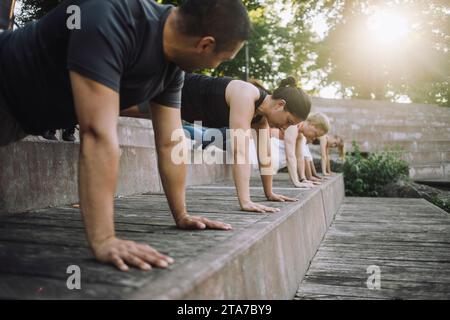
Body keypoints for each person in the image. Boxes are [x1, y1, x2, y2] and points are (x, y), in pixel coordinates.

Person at [0, 0, 251, 271]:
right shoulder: (112, 17)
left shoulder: (172, 70)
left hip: (20, 119)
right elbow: (96, 134)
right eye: (221, 59)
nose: (214, 67)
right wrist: (104, 239)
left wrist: (182, 214)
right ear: (205, 44)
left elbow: (169, 142)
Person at [122, 74, 311, 213]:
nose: (286, 128)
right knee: (120, 106)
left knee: (122, 108)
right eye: (288, 121)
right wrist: (245, 201)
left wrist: (270, 193)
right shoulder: (246, 95)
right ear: (280, 105)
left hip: (182, 109)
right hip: (173, 90)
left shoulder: (260, 119)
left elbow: (265, 156)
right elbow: (240, 151)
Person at [283, 113, 330, 188]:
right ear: (312, 124)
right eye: (315, 134)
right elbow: (290, 156)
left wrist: (303, 179)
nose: (314, 138)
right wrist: (296, 182)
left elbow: (300, 157)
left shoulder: (300, 135)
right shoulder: (293, 126)